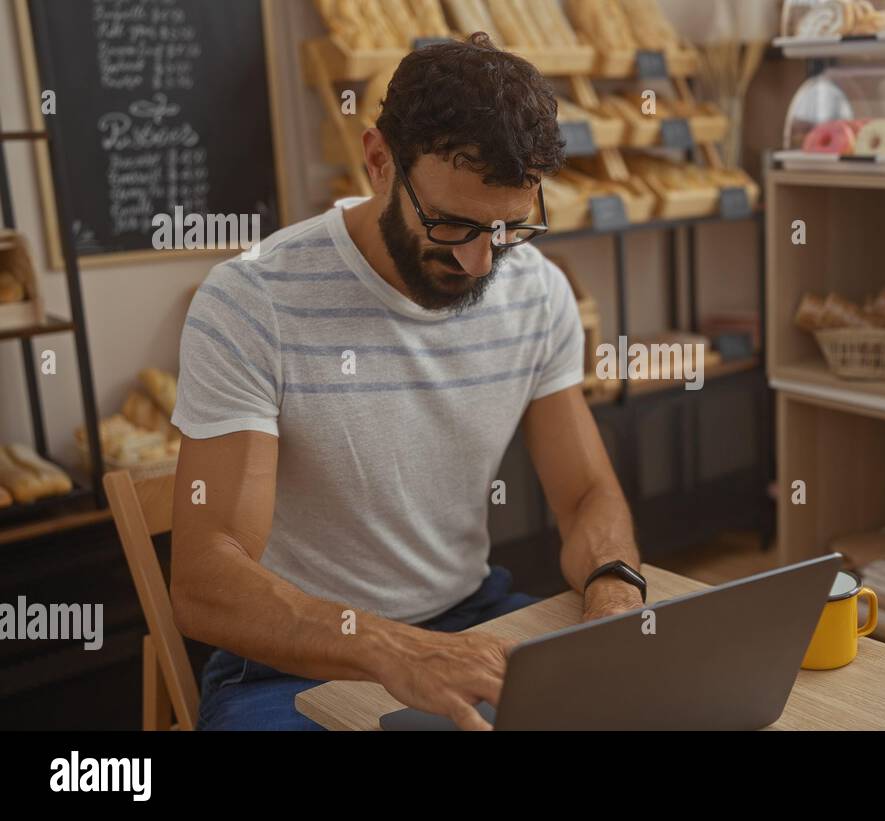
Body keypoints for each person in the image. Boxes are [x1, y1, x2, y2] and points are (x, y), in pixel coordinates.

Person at [170, 34, 644, 731]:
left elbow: (583, 494)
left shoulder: (537, 293)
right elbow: (206, 579)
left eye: (510, 228)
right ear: (378, 162)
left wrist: (613, 589)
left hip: (472, 616)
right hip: (287, 663)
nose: (483, 263)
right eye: (452, 224)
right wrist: (393, 647)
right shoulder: (252, 300)